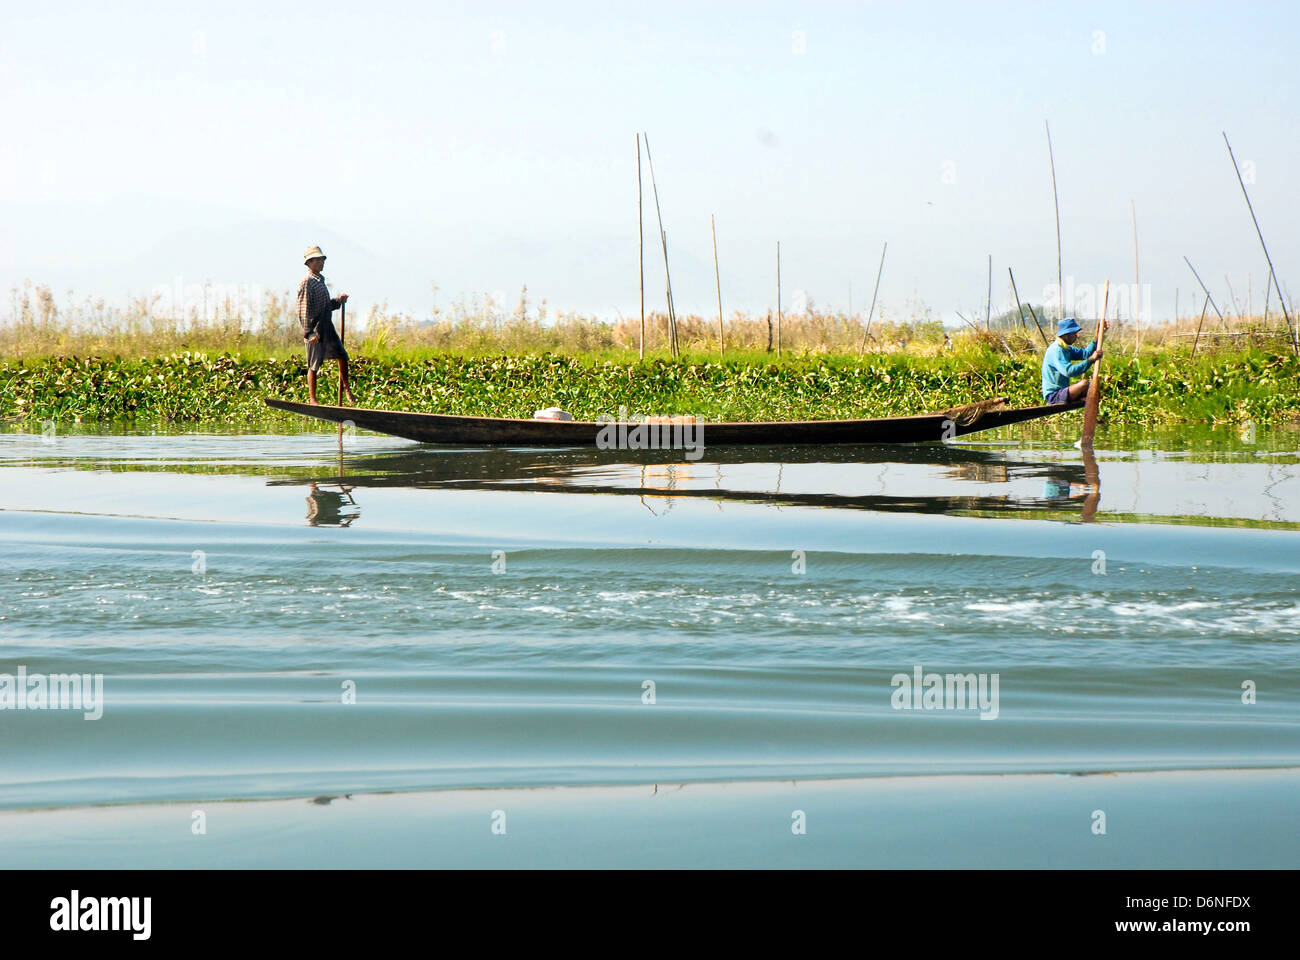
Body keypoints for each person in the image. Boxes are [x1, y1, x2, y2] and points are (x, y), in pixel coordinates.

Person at [297, 245, 354, 404]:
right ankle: (313, 399)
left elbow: (325, 306)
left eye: (322, 260)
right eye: (318, 260)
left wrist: (338, 301)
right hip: (314, 328)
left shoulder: (320, 281)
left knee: (342, 356)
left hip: (326, 325)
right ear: (309, 263)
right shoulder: (307, 282)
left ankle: (346, 388)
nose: (321, 263)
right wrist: (309, 333)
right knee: (314, 364)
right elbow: (303, 309)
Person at [1041, 316, 1107, 404]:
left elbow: (1085, 354)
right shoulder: (1057, 350)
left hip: (1062, 392)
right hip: (1054, 395)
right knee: (1084, 384)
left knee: (1092, 388)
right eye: (1074, 334)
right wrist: (1091, 360)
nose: (1076, 337)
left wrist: (1097, 337)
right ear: (1066, 335)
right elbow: (1068, 371)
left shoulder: (1066, 348)